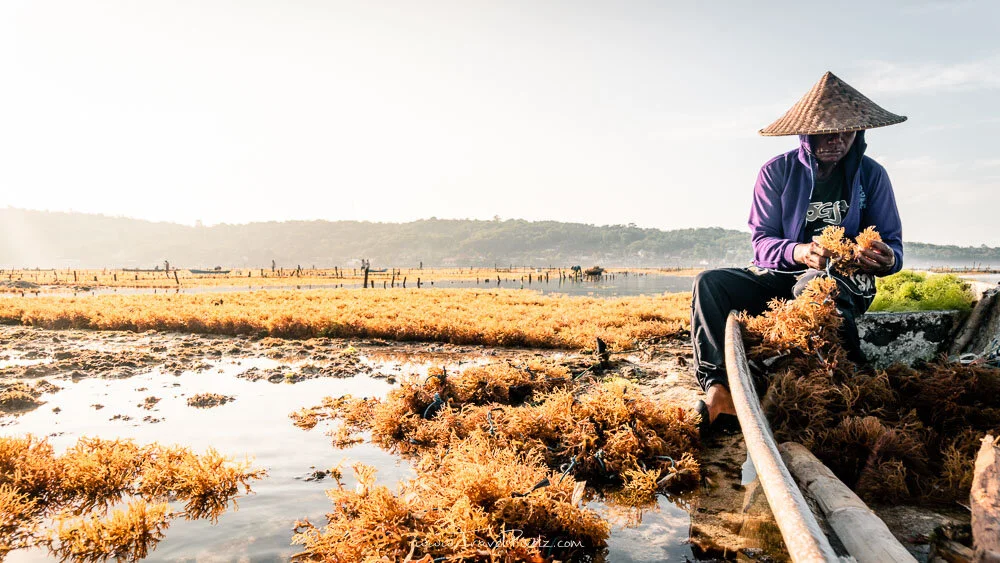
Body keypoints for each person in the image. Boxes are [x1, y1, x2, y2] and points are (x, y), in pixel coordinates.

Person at [692, 72, 906, 438]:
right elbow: (762, 243)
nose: (837, 140)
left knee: (814, 287)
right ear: (806, 134)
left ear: (859, 133)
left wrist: (888, 260)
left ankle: (851, 385)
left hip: (840, 280)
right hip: (783, 273)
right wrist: (799, 250)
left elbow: (894, 246)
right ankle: (720, 392)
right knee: (710, 284)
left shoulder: (872, 176)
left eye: (846, 132)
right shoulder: (777, 172)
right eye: (827, 133)